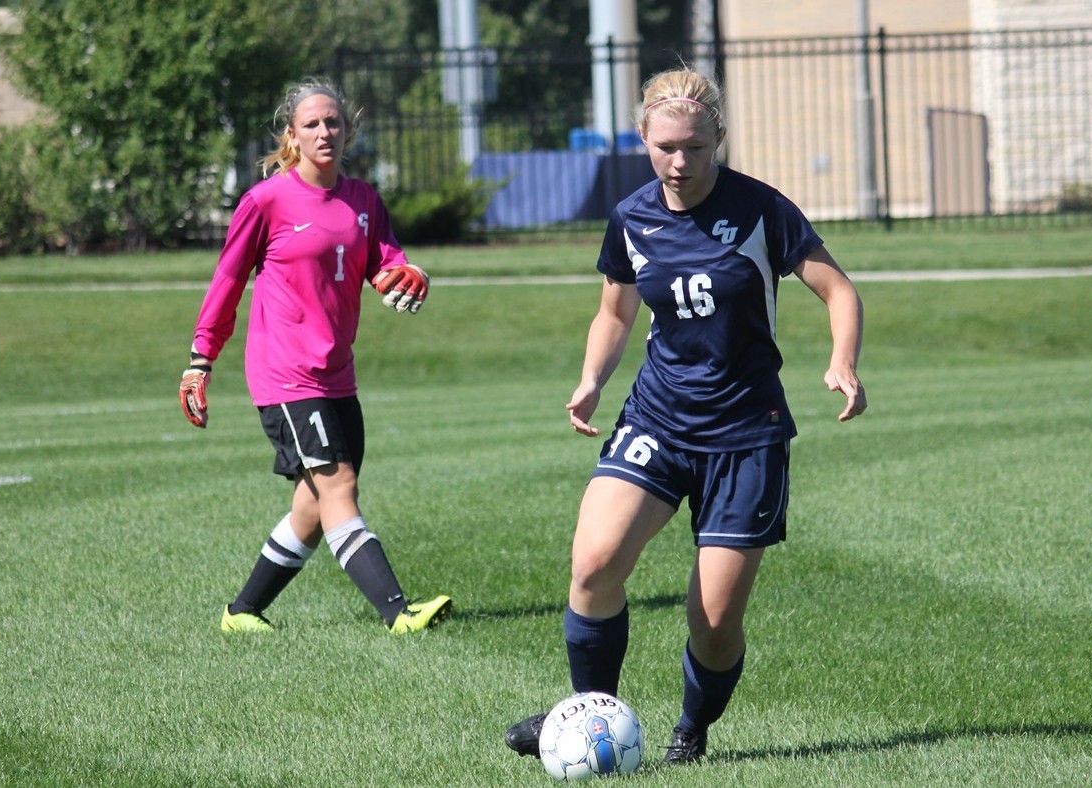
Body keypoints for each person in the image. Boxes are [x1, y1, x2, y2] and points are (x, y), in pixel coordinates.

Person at [502, 67, 866, 766]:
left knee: (716, 623)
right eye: (665, 146)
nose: (680, 162)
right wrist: (590, 380)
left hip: (745, 435)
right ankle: (588, 720)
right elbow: (615, 310)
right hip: (658, 419)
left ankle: (690, 732)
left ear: (718, 139)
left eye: (695, 148)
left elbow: (839, 290)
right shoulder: (632, 216)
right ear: (643, 138)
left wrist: (843, 360)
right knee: (594, 564)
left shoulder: (762, 211)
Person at [181, 79, 451, 635]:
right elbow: (227, 282)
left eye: (333, 123)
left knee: (313, 506)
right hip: (286, 375)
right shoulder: (266, 201)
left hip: (337, 374)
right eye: (312, 125)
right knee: (339, 488)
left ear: (348, 130)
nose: (324, 132)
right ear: (292, 135)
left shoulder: (363, 199)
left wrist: (410, 274)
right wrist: (200, 358)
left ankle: (241, 613)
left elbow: (385, 263)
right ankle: (399, 614)